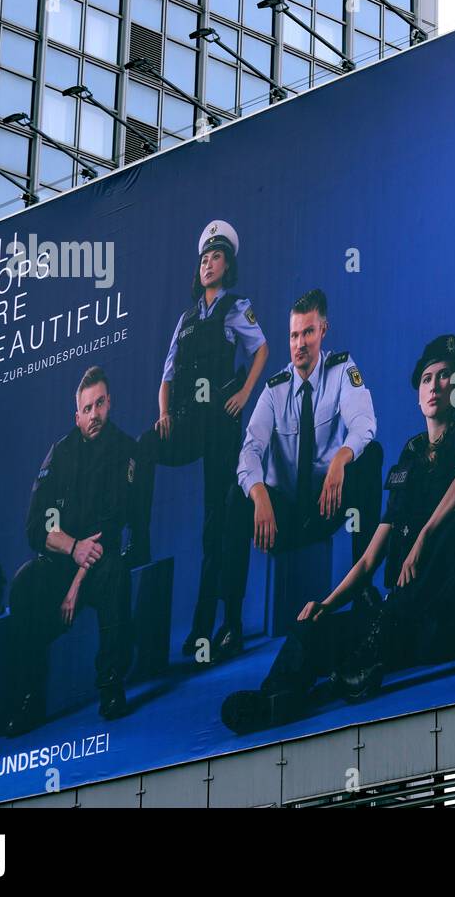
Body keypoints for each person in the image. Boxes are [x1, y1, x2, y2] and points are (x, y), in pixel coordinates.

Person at [221, 334, 455, 734]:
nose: (436, 386)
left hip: (445, 619)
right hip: (398, 619)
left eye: (446, 376)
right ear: (418, 394)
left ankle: (363, 657)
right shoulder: (411, 457)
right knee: (316, 625)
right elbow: (369, 559)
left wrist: (424, 537)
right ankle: (274, 699)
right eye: (428, 379)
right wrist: (326, 604)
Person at [218, 288, 384, 658]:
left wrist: (342, 457)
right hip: (285, 518)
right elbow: (250, 449)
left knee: (370, 456)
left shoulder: (342, 369)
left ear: (323, 330)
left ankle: (364, 593)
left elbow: (364, 423)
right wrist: (258, 493)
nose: (300, 344)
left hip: (329, 504)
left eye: (308, 332)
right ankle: (231, 623)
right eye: (294, 335)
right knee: (236, 495)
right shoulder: (274, 390)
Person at [134, 220, 269, 663]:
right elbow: (166, 376)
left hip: (221, 426)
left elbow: (262, 349)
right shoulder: (186, 319)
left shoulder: (235, 307)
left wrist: (244, 393)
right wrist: (164, 414)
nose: (208, 264)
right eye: (204, 258)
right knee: (145, 446)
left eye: (216, 257)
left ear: (228, 264)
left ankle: (216, 626)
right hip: (190, 422)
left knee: (220, 524)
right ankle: (137, 540)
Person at [5, 366, 139, 735]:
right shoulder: (60, 452)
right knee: (23, 583)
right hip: (65, 557)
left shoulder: (124, 449)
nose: (94, 415)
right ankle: (29, 699)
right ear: (76, 414)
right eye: (87, 408)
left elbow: (110, 530)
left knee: (114, 573)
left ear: (109, 404)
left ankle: (111, 685)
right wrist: (72, 547)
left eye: (99, 405)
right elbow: (35, 527)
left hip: (98, 562)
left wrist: (76, 584)